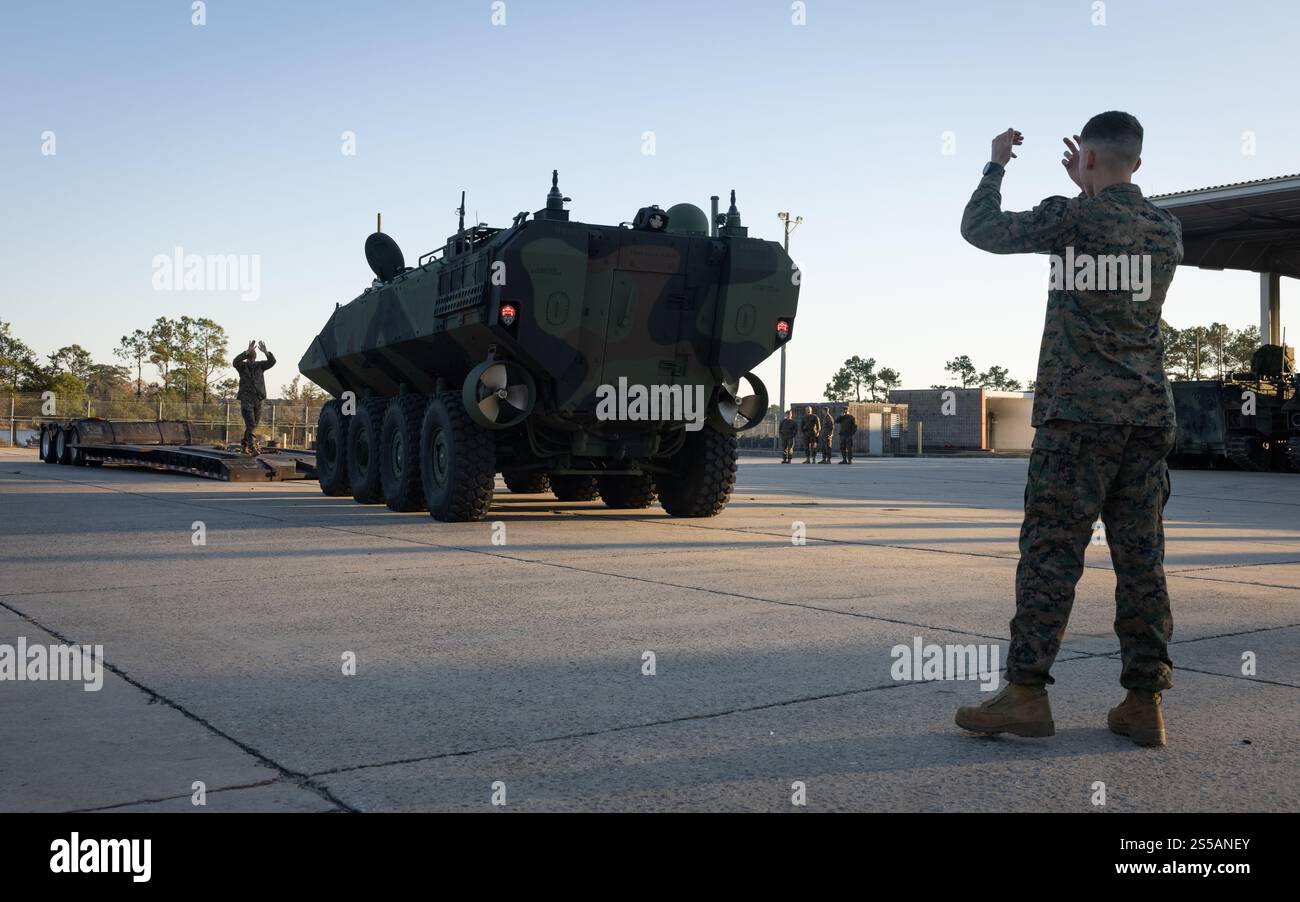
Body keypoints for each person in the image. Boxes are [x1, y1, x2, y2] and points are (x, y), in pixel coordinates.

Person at [954, 112, 1182, 747]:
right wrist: (1088, 183)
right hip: (1146, 417)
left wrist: (996, 163)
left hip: (1078, 418)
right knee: (1143, 560)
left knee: (1052, 556)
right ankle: (1144, 704)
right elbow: (1115, 230)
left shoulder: (1070, 218)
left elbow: (981, 229)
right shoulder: (1167, 228)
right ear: (1137, 162)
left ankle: (1026, 694)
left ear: (1083, 158)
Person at [232, 340, 276, 453]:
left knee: (254, 424)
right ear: (247, 358)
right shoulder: (242, 366)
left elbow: (272, 362)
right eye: (249, 358)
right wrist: (246, 351)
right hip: (246, 399)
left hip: (257, 398)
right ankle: (252, 446)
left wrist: (266, 352)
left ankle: (244, 445)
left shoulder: (260, 366)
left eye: (252, 359)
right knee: (250, 423)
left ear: (255, 359)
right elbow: (235, 361)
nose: (251, 361)